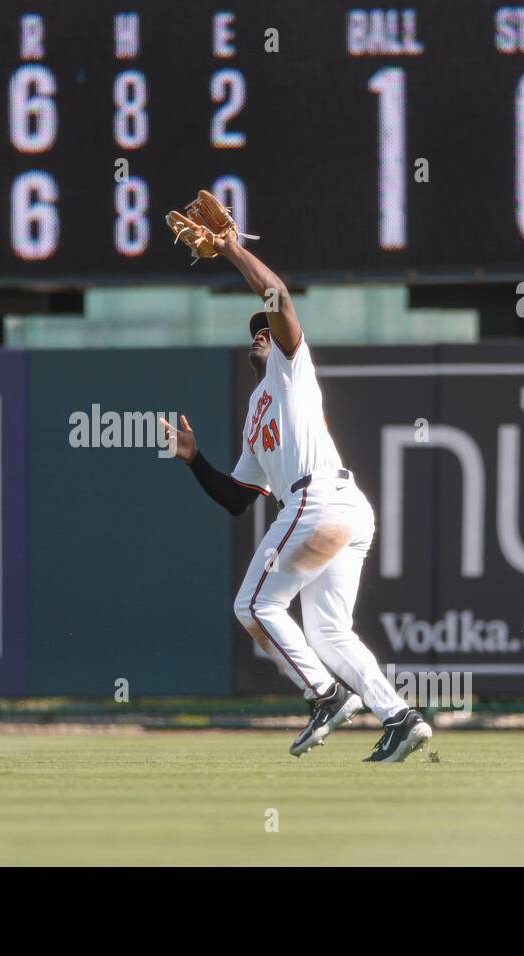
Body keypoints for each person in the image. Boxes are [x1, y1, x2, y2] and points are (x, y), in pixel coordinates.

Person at [162, 236, 431, 762]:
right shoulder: (257, 412)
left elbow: (278, 296)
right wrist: (195, 460)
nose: (261, 334)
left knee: (254, 604)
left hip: (321, 500)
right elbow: (239, 499)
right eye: (254, 333)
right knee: (328, 631)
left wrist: (231, 249)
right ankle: (400, 719)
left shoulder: (291, 370)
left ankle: (325, 696)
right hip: (338, 509)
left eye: (266, 330)